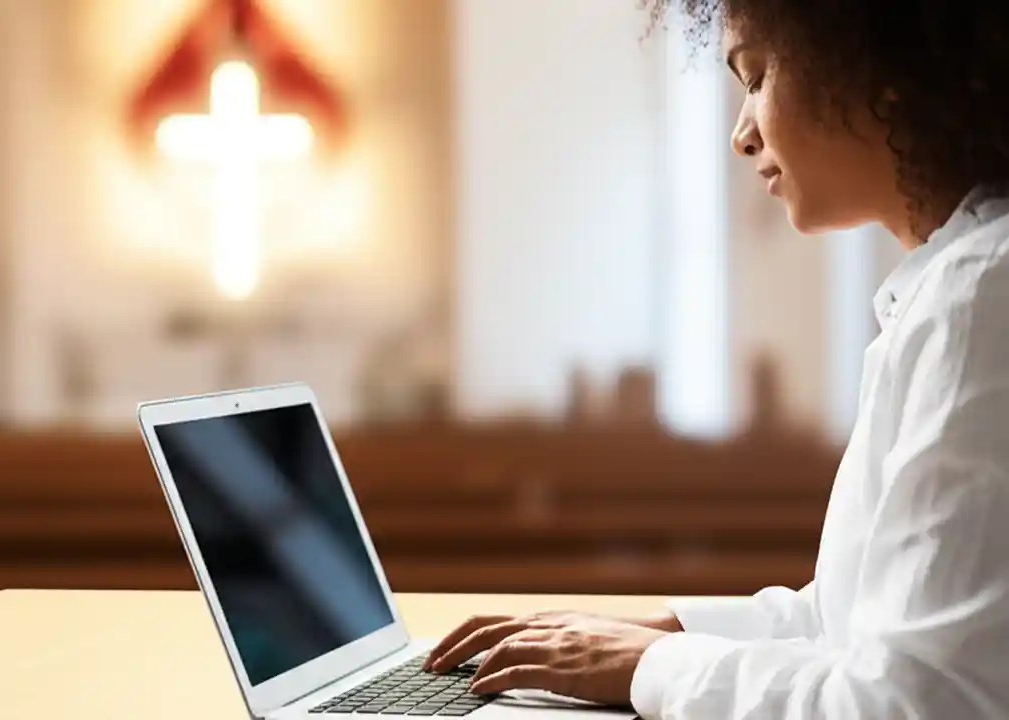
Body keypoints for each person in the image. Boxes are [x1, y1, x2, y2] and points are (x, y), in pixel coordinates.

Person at [423, 1, 1009, 718]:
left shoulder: (980, 296)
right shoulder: (956, 283)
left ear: (879, 67)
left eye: (757, 76)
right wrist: (656, 632)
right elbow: (852, 619)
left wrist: (652, 666)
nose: (741, 133)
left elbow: (915, 701)